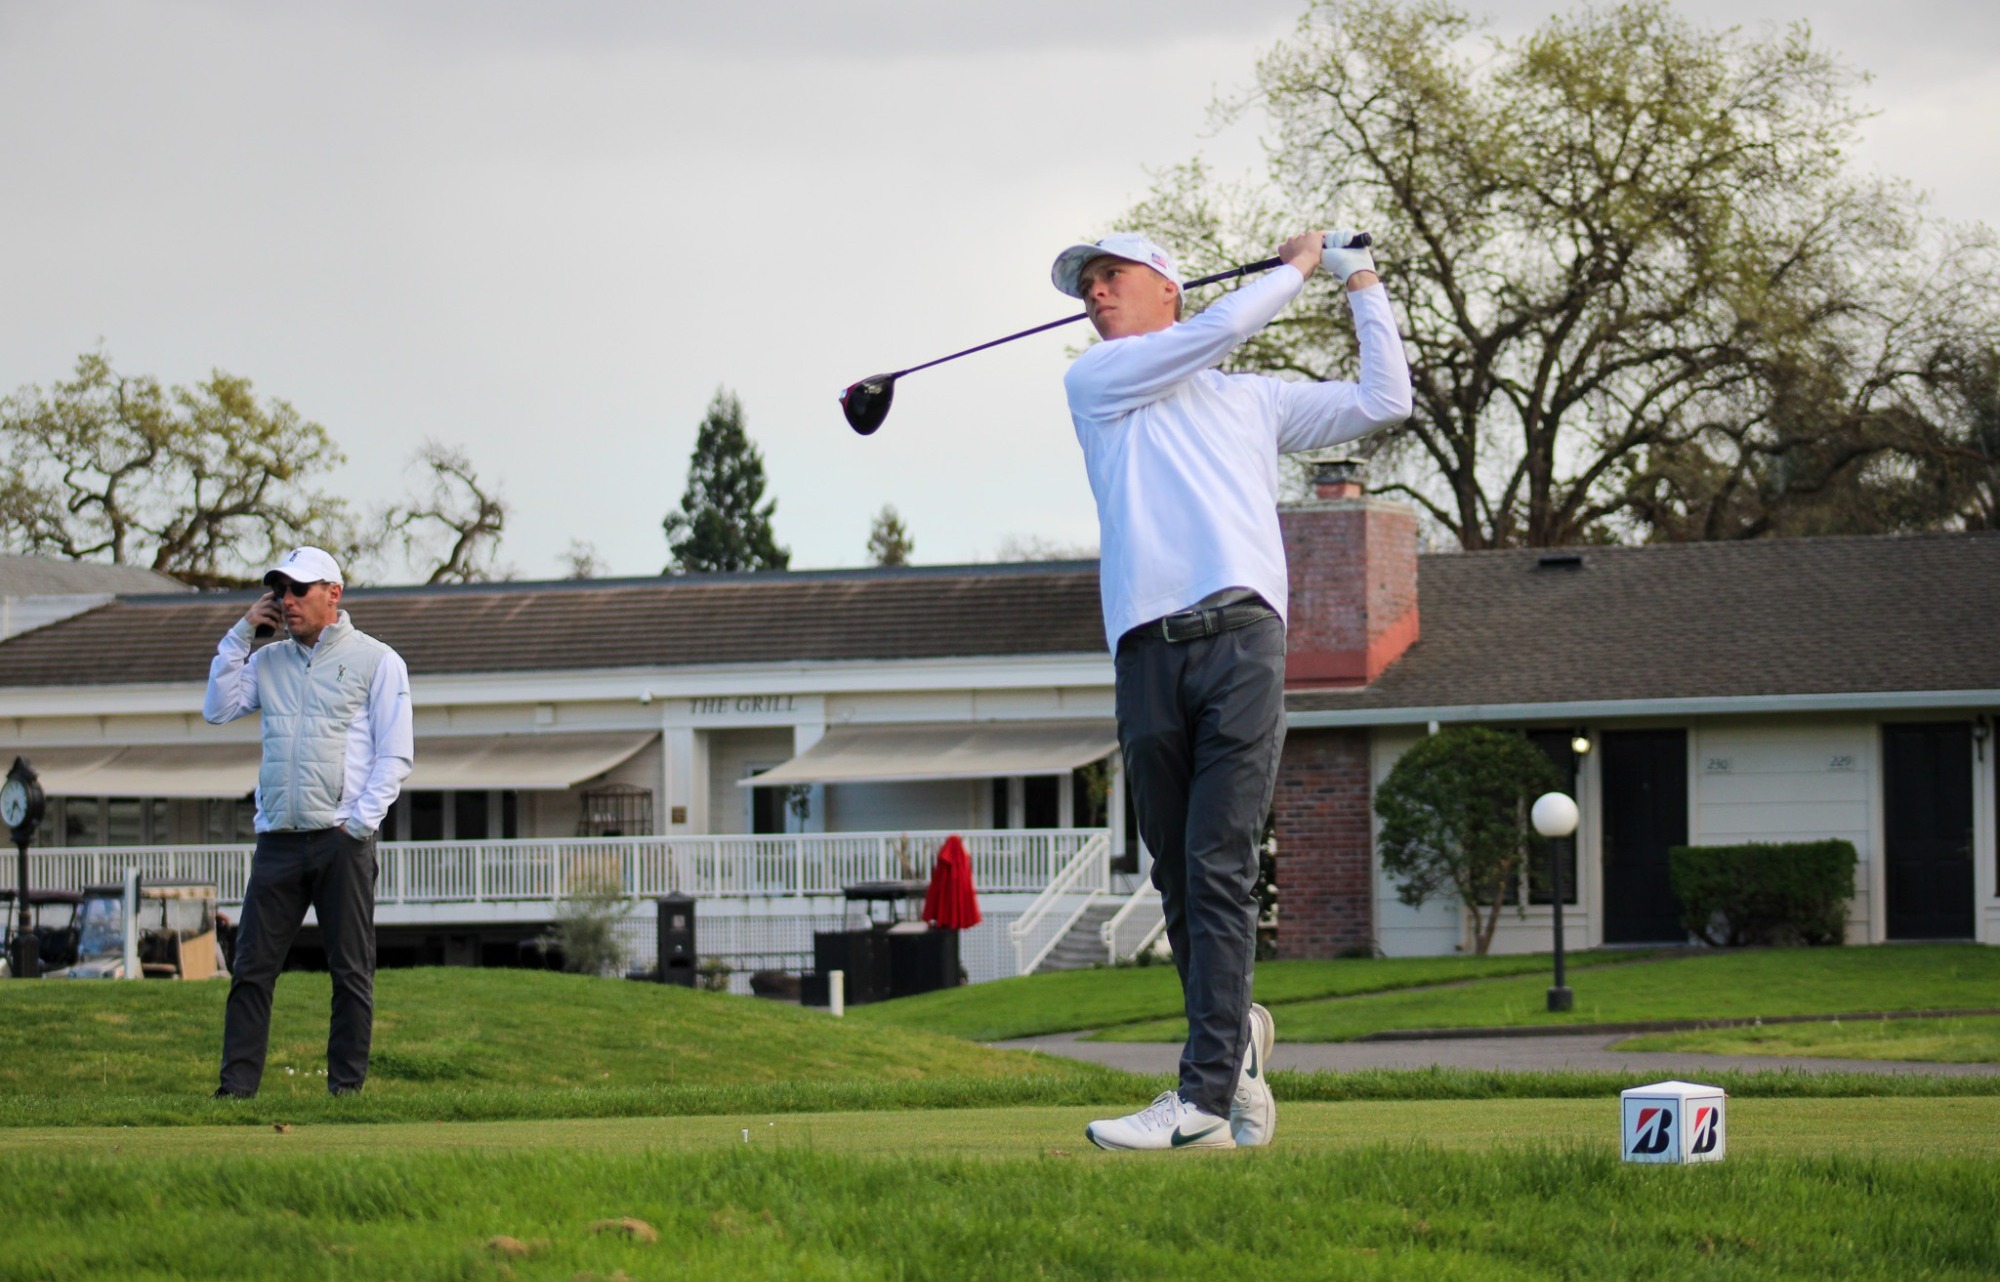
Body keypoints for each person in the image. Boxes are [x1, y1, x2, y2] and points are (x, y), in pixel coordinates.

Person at [1054, 229, 1411, 1150]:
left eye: (1112, 278)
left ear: (1166, 288)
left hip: (1243, 643)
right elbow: (1218, 330)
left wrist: (1357, 277)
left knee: (1220, 861)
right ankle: (1239, 1043)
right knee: (1178, 876)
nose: (1095, 296)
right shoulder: (1097, 384)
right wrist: (1291, 267)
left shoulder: (1255, 401)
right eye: (1086, 286)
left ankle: (1203, 1101)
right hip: (1144, 652)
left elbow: (1386, 399)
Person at [203, 546, 413, 1097]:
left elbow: (395, 756)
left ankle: (345, 1093)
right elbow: (218, 707)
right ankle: (235, 1093)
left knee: (350, 974)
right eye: (281, 591)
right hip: (277, 840)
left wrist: (358, 826)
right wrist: (243, 631)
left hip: (342, 839)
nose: (287, 601)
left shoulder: (377, 660)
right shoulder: (267, 661)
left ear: (333, 593)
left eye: (299, 590)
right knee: (250, 970)